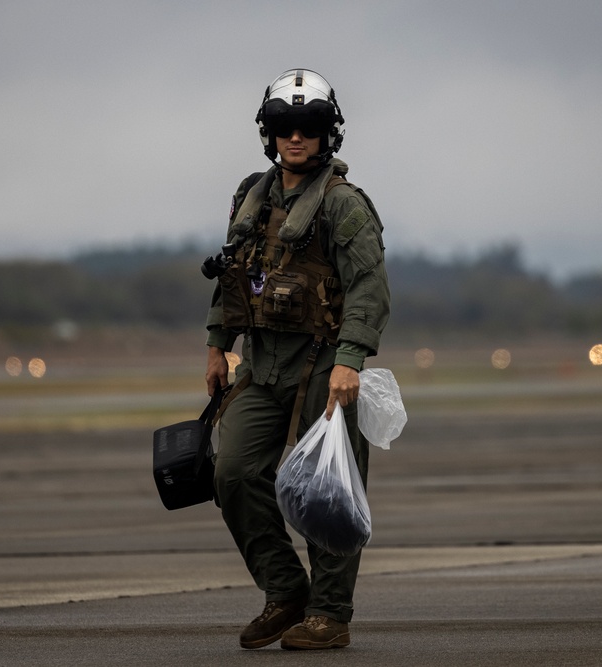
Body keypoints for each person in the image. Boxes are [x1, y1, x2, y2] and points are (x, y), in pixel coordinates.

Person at [203, 68, 391, 650]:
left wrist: (351, 359)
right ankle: (286, 592)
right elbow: (235, 275)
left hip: (324, 361)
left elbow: (369, 288)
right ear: (270, 132)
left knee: (330, 487)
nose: (296, 137)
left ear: (326, 133)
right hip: (261, 365)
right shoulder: (251, 198)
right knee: (231, 470)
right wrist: (217, 344)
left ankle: (330, 614)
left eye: (307, 127)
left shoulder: (344, 205)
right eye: (285, 126)